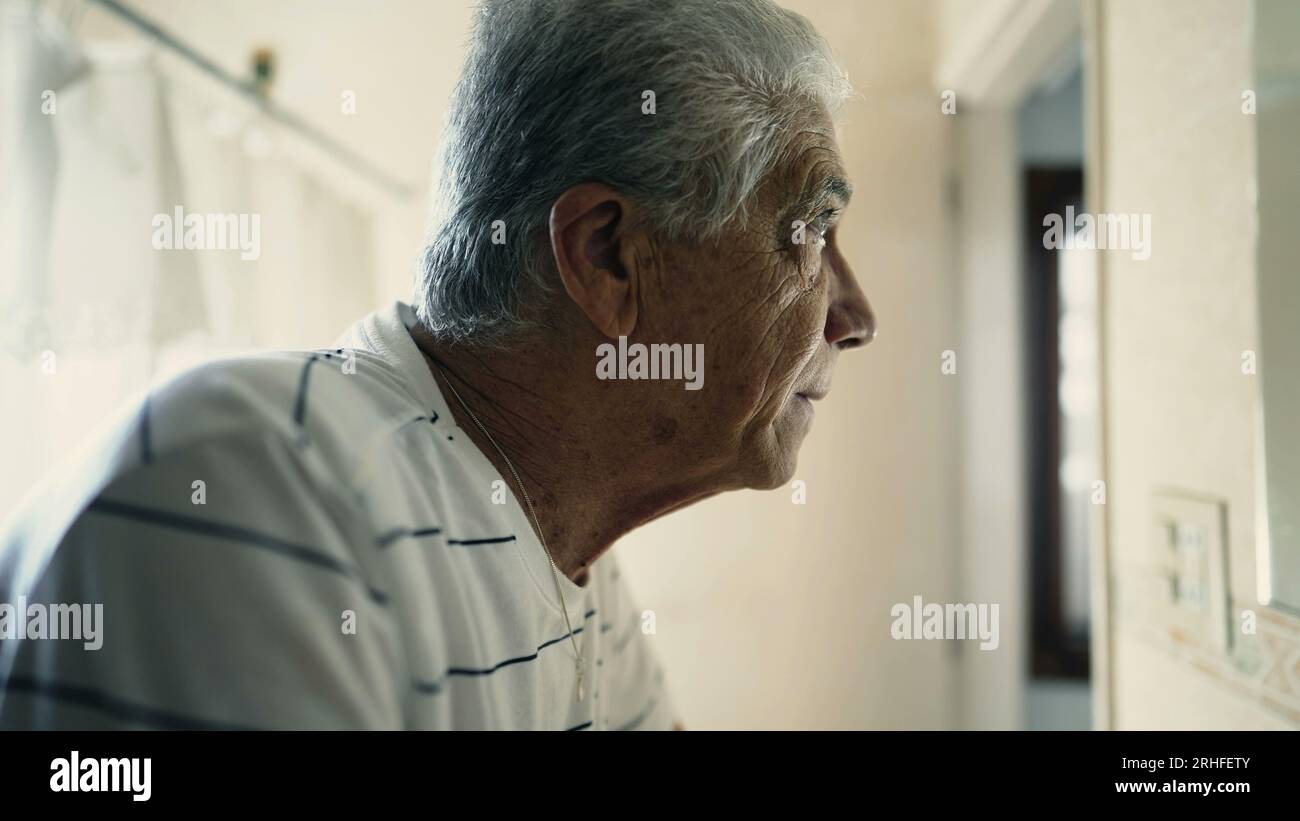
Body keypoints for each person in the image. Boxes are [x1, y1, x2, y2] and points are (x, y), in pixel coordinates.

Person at [0, 0, 874, 730]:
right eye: (810, 235)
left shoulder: (564, 543)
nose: (855, 315)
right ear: (609, 258)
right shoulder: (259, 484)